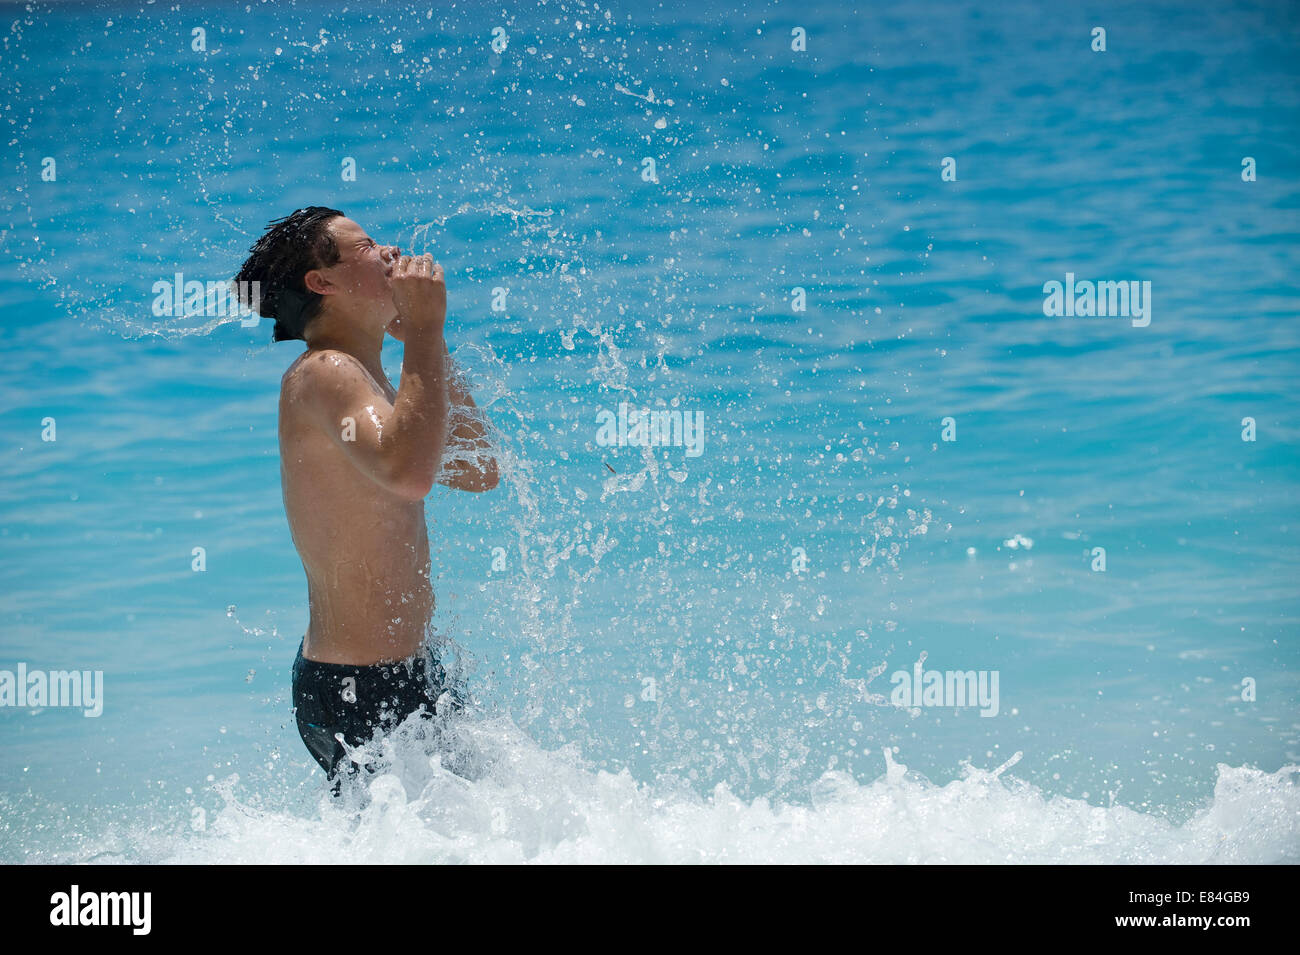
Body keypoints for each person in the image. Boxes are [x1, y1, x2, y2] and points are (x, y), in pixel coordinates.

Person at [234, 206, 498, 786]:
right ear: (321, 282)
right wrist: (425, 332)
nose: (388, 253)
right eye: (368, 245)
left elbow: (477, 468)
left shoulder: (367, 373)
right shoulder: (324, 371)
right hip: (357, 684)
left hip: (407, 671)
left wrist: (430, 343)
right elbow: (410, 475)